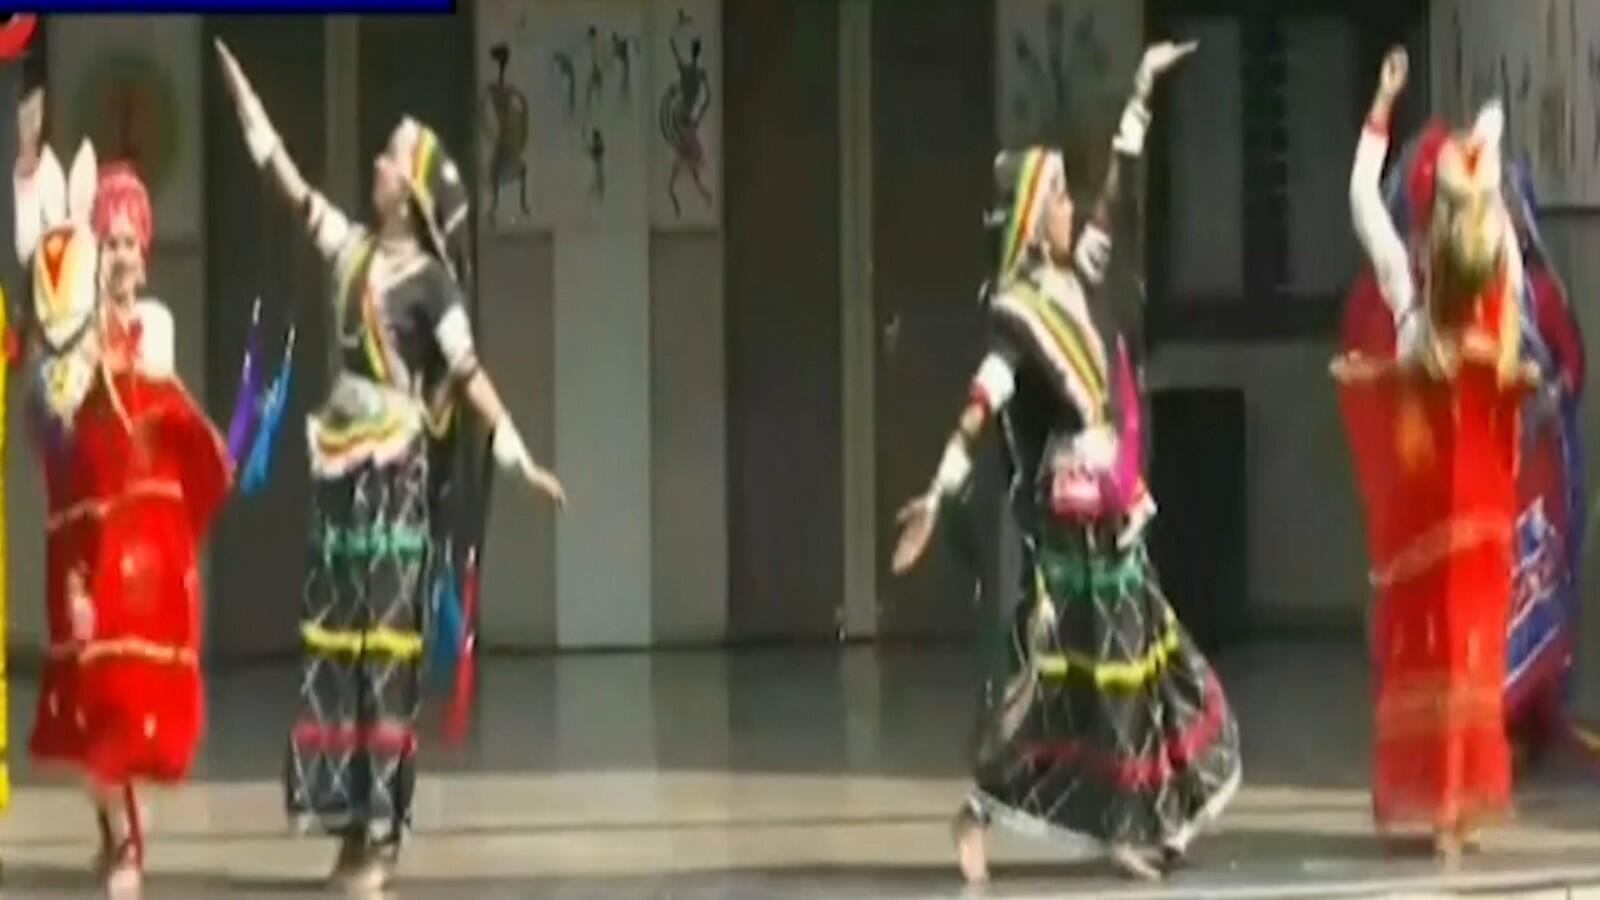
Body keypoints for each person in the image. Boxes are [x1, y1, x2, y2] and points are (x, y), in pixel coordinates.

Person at [213, 40, 565, 892]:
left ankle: (381, 832)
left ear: (409, 191)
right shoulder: (353, 251)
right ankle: (346, 824)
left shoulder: (433, 291)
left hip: (396, 478)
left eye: (387, 157)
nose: (374, 162)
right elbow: (296, 197)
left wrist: (518, 452)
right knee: (336, 644)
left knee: (386, 650)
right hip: (341, 473)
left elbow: (469, 377)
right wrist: (253, 120)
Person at [890, 41, 1241, 884]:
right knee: (1079, 684)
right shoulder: (1017, 312)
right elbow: (984, 399)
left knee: (1154, 669)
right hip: (1070, 525)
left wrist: (1141, 95)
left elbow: (1117, 198)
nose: (1070, 210)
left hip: (1115, 508)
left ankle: (1157, 810)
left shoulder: (1075, 276)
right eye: (1056, 200)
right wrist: (936, 493)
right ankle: (1023, 818)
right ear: (1031, 216)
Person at [12, 88, 232, 896]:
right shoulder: (68, 341)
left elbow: (160, 415)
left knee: (125, 691)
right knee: (83, 696)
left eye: (137, 244)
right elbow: (57, 412)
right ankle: (111, 826)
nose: (129, 259)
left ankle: (130, 839)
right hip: (82, 538)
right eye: (115, 244)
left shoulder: (159, 326)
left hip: (138, 551)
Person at [1334, 46, 1534, 861]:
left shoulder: (1475, 265)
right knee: (1442, 642)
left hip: (1464, 510)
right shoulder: (1413, 279)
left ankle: (1455, 803)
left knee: (1463, 645)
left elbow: (1361, 197)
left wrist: (1502, 368)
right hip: (1440, 509)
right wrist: (1383, 106)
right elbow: (1360, 200)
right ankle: (1437, 802)